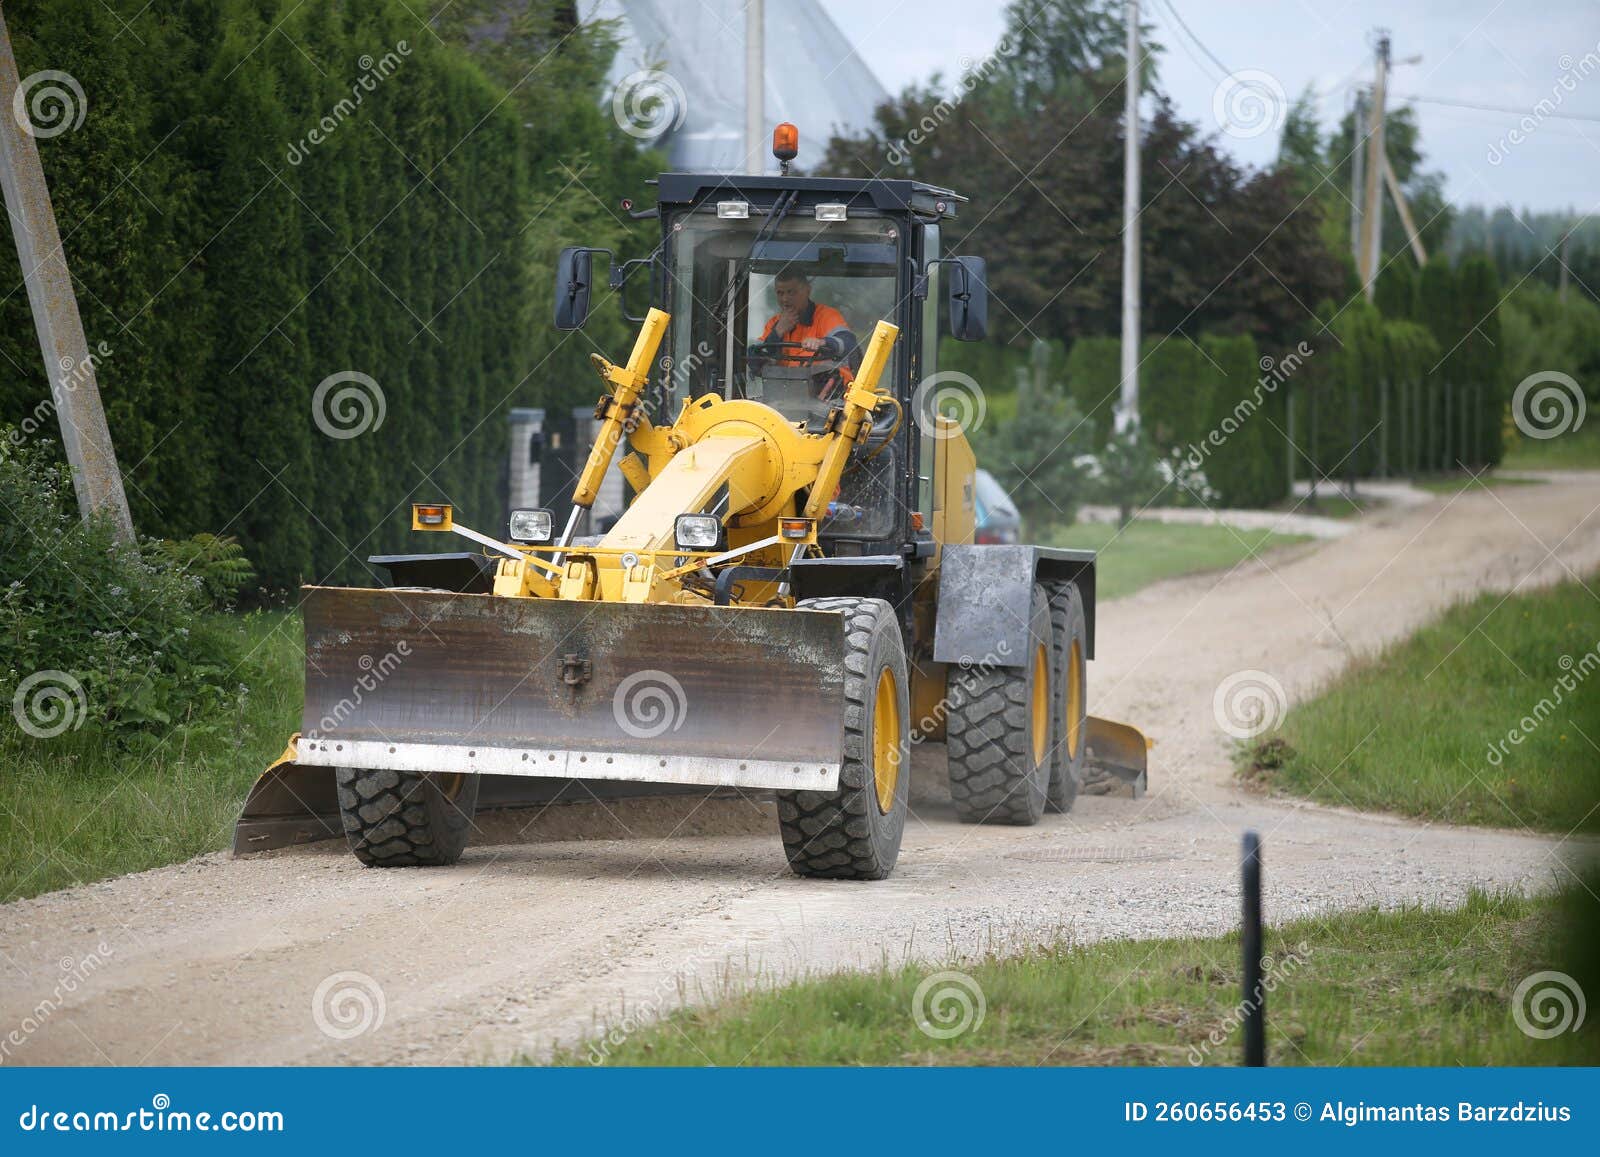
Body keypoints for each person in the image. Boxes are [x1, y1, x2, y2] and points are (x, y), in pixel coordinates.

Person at [758, 271, 860, 394]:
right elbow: (755, 362)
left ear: (807, 290)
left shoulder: (826, 316)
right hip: (783, 401)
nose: (785, 299)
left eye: (791, 292)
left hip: (833, 402)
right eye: (780, 293)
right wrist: (778, 332)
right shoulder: (774, 324)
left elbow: (849, 343)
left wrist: (822, 342)